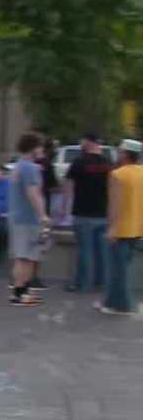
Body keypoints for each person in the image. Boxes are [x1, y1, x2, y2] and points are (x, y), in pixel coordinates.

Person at [97, 139, 143, 315]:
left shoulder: (117, 174)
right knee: (122, 267)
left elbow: (114, 204)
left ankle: (122, 305)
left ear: (125, 154)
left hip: (121, 229)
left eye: (120, 150)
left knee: (119, 270)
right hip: (137, 228)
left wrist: (112, 228)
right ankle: (110, 302)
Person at [63, 133, 113, 292]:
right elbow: (113, 188)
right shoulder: (108, 163)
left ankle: (82, 284)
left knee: (84, 251)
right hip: (103, 214)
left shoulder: (78, 162)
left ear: (88, 142)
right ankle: (101, 282)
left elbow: (68, 186)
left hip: (82, 213)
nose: (81, 143)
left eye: (83, 141)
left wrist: (65, 208)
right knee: (102, 252)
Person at [8, 132, 50, 306]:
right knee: (25, 257)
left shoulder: (19, 166)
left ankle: (23, 292)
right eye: (40, 146)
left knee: (25, 256)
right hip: (28, 219)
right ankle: (19, 294)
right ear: (33, 148)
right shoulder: (30, 168)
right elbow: (33, 194)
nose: (42, 150)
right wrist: (43, 215)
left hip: (18, 217)